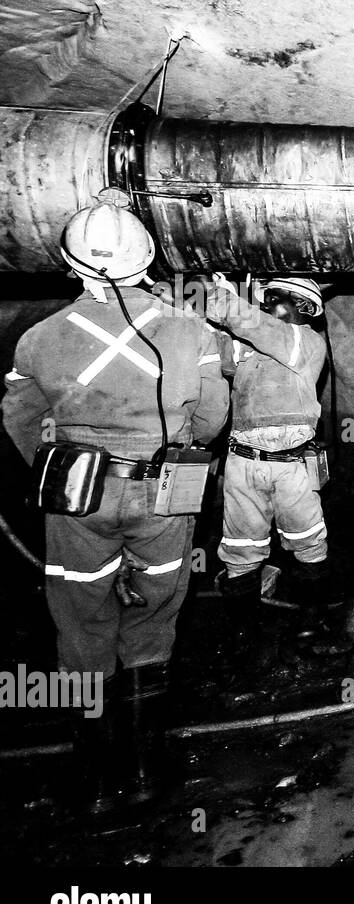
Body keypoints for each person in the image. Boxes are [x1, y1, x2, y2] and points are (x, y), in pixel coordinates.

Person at [2, 188, 229, 813]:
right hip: (164, 492)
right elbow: (211, 415)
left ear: (72, 265)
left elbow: (22, 418)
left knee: (81, 622)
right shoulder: (191, 329)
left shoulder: (39, 338)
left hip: (77, 495)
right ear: (145, 260)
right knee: (155, 616)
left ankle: (98, 784)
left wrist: (62, 469)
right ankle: (147, 774)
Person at [205, 274, 331, 662]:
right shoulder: (252, 345)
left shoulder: (305, 341)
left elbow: (256, 326)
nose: (264, 304)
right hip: (244, 462)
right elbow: (219, 355)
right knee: (241, 552)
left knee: (308, 545)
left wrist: (223, 297)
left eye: (273, 298)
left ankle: (312, 622)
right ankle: (244, 636)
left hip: (293, 465)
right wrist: (214, 326)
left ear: (304, 308)